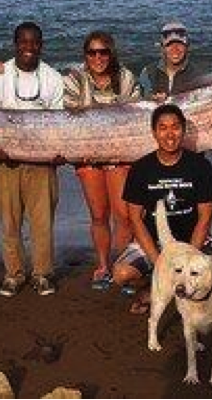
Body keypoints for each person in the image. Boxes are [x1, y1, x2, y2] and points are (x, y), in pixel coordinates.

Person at [114, 104, 212, 314]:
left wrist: (189, 259)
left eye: (175, 127)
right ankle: (152, 289)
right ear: (154, 132)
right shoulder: (140, 168)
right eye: (163, 127)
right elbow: (135, 220)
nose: (169, 134)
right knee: (122, 274)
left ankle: (187, 292)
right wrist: (160, 264)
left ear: (183, 131)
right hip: (154, 242)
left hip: (193, 240)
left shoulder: (201, 166)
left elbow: (205, 219)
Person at [0, 21, 66, 297]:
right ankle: (14, 273)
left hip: (43, 163)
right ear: (15, 44)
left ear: (41, 46)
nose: (29, 48)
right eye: (24, 42)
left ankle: (42, 273)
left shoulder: (53, 78)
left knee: (42, 222)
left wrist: (56, 153)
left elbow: (58, 120)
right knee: (9, 221)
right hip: (7, 162)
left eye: (35, 43)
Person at [63, 31, 141, 290]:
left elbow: (136, 115)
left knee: (124, 215)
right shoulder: (75, 78)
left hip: (119, 155)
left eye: (103, 52)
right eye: (92, 52)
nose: (98, 57)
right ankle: (102, 266)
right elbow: (69, 117)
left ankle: (122, 265)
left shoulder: (127, 78)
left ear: (111, 53)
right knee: (98, 215)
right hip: (88, 155)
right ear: (85, 56)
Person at [139, 21, 207, 100]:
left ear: (187, 47)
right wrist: (151, 99)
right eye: (169, 45)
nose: (175, 49)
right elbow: (140, 102)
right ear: (162, 48)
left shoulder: (198, 76)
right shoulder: (148, 73)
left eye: (180, 44)